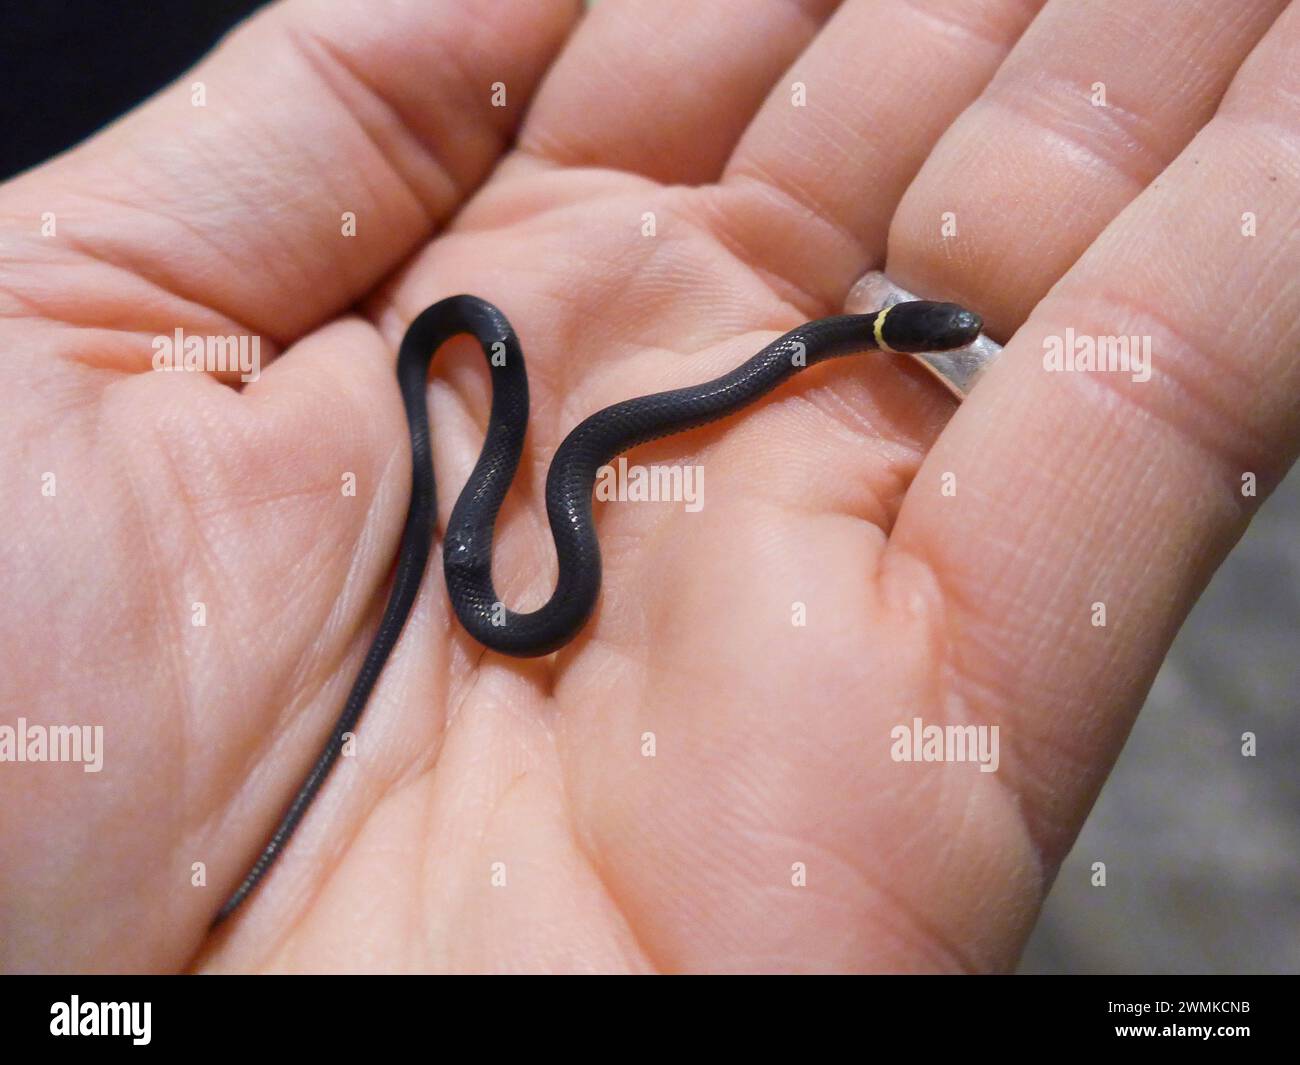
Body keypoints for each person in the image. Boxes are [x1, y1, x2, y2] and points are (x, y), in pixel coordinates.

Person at [1, 0, 1295, 973]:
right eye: (922, 332)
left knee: (550, 472)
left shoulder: (797, 359)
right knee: (520, 479)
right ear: (891, 339)